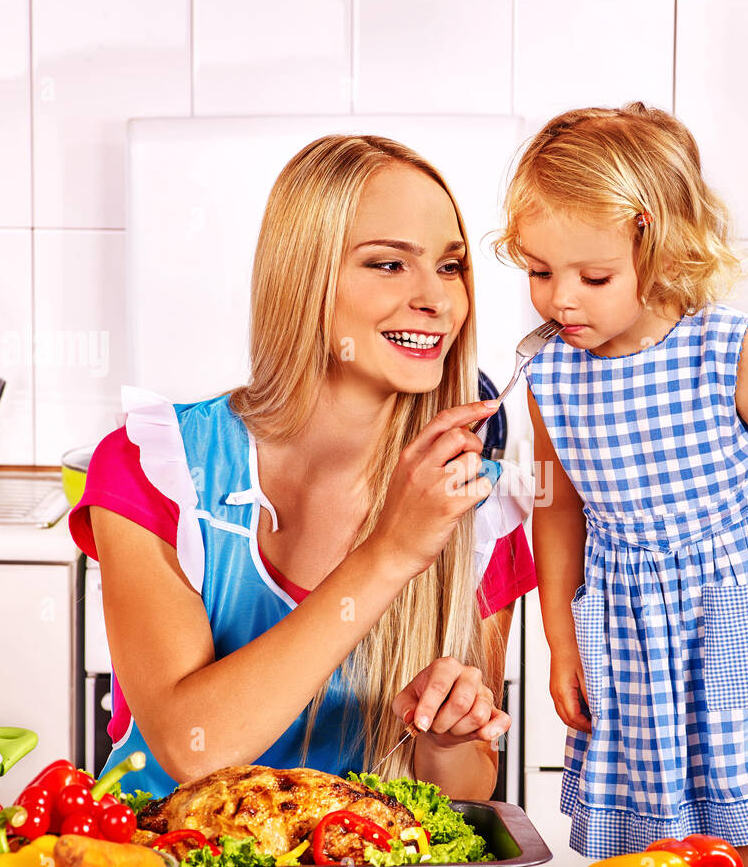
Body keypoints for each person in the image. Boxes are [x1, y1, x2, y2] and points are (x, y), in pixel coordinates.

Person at [69, 134, 537, 800]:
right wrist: (389, 553)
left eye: (451, 266)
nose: (437, 299)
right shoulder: (156, 467)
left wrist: (447, 737)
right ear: (304, 275)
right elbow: (188, 744)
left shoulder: (476, 504)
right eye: (388, 265)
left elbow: (464, 794)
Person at [495, 104, 748, 867]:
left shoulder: (731, 349)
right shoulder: (552, 373)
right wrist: (562, 640)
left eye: (592, 276)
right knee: (656, 833)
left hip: (733, 609)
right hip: (627, 626)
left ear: (660, 246)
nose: (560, 299)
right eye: (539, 272)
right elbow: (558, 507)